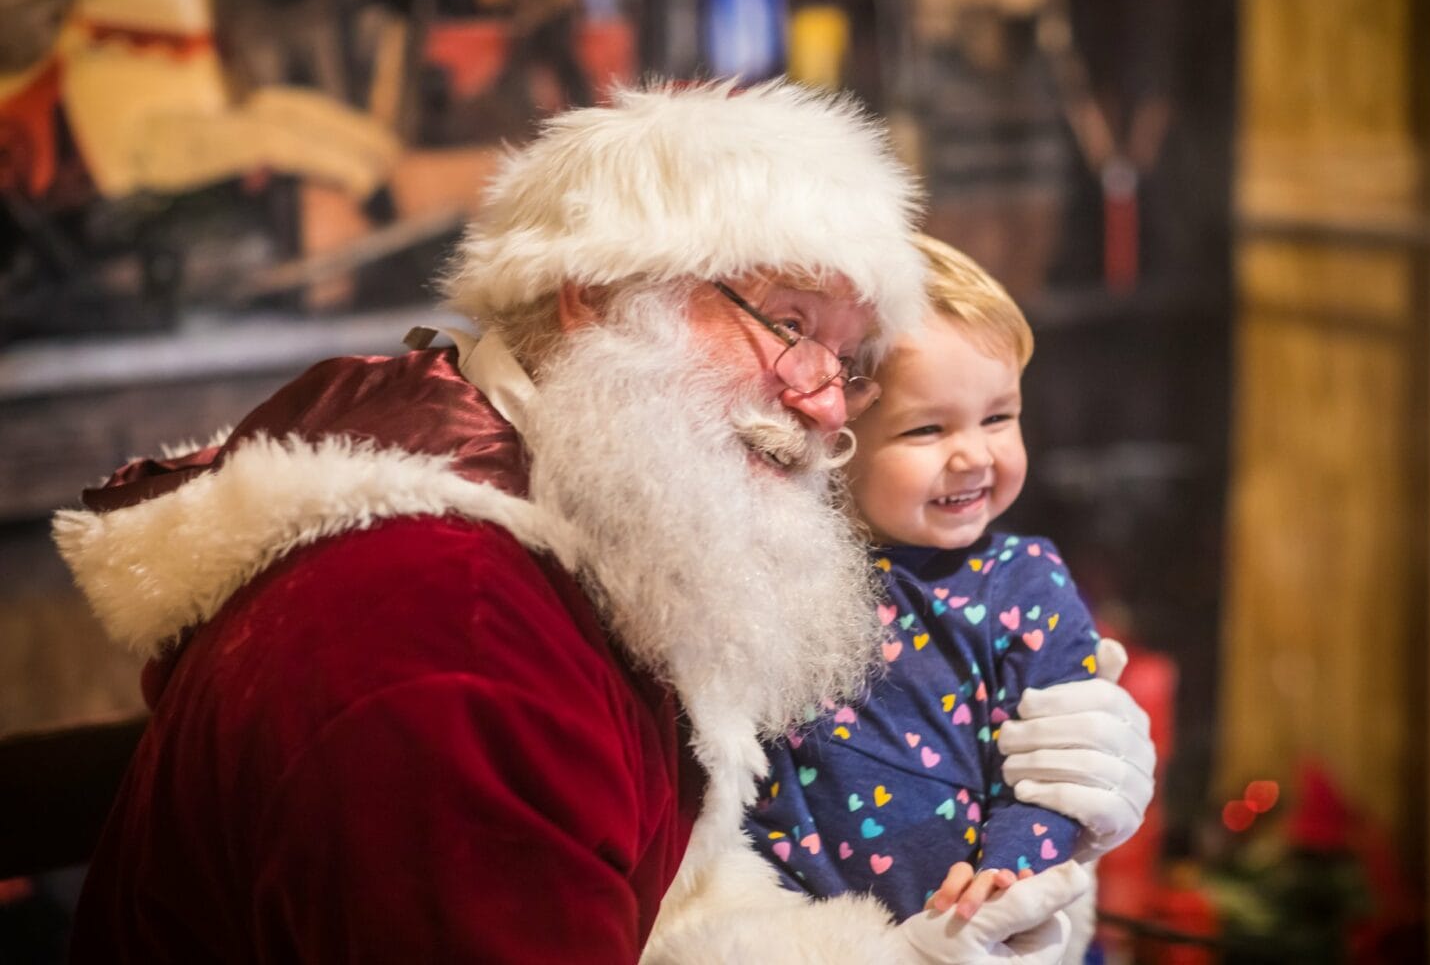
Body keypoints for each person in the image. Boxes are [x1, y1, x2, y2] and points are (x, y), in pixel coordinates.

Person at [55, 82, 1150, 963]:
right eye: (786, 324)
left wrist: (993, 860)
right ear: (592, 295)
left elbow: (670, 902)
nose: (826, 401)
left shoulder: (588, 517)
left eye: (848, 355)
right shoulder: (446, 636)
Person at [643, 236, 1153, 964]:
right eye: (927, 428)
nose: (974, 455)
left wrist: (1004, 879)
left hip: (981, 929)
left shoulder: (1024, 582)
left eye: (999, 417)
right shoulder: (768, 572)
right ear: (835, 433)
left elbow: (1054, 774)